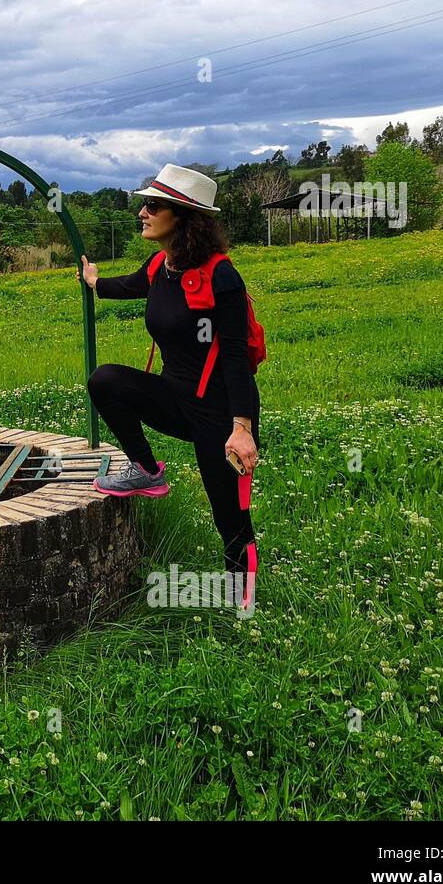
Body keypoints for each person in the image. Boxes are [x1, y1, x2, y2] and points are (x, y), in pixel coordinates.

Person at [78, 163, 260, 578]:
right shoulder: (161, 266)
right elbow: (128, 286)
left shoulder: (221, 276)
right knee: (105, 380)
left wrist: (242, 427)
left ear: (183, 217)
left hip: (220, 414)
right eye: (144, 204)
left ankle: (240, 600)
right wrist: (94, 282)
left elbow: (234, 357)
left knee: (230, 520)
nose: (142, 212)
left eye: (153, 205)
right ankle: (145, 469)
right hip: (175, 397)